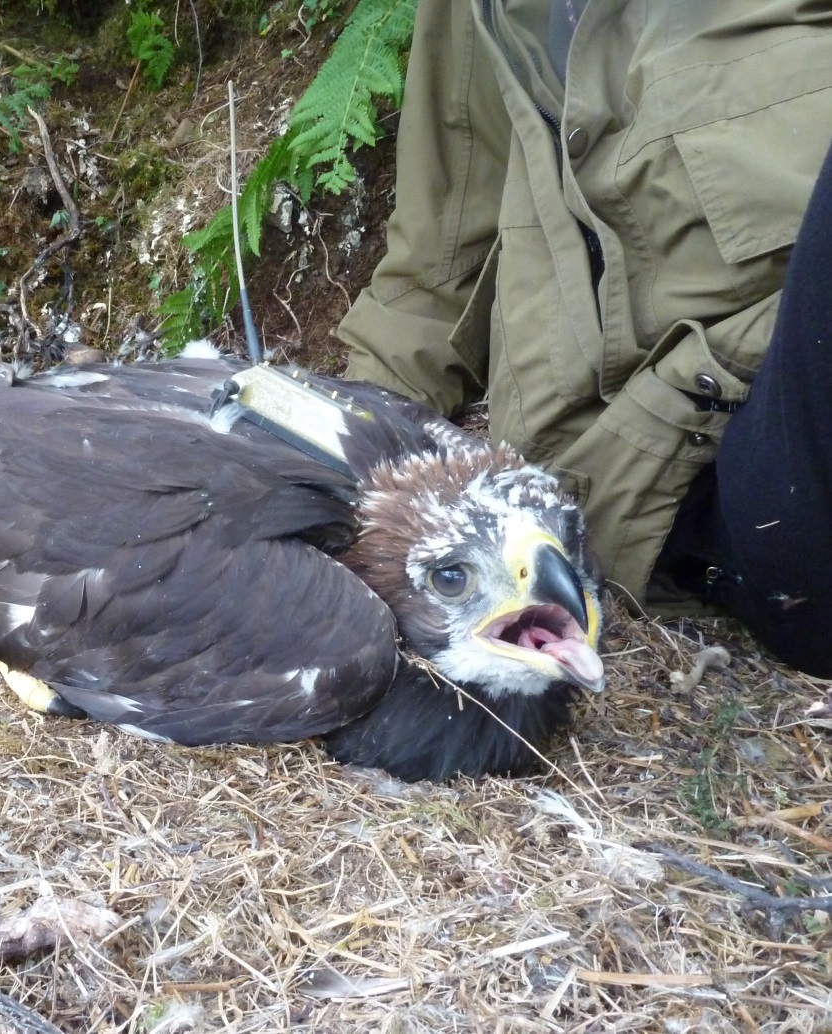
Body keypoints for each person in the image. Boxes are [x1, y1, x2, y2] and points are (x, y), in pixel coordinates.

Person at [336, 0, 832, 677]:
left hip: (788, 378)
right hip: (678, 496)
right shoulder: (475, 14)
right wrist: (333, 449)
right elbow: (437, 266)